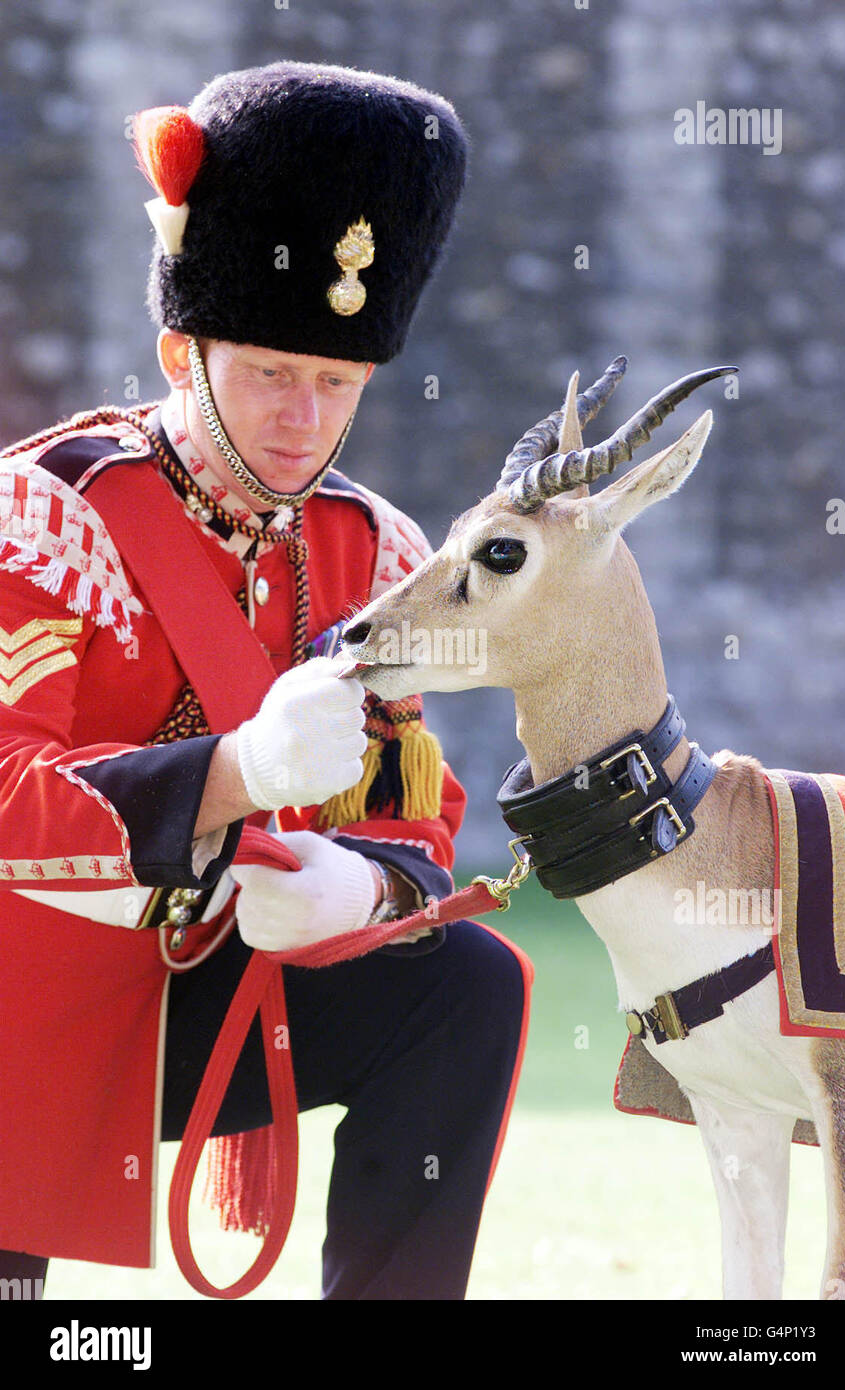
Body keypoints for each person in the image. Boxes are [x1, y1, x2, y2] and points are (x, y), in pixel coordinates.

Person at [0, 60, 531, 1301]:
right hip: (23, 1003)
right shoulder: (44, 513)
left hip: (207, 989)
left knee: (465, 985)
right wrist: (232, 776)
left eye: (336, 383)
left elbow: (410, 815)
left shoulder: (374, 551)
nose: (304, 418)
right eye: (270, 373)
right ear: (182, 350)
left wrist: (363, 880)